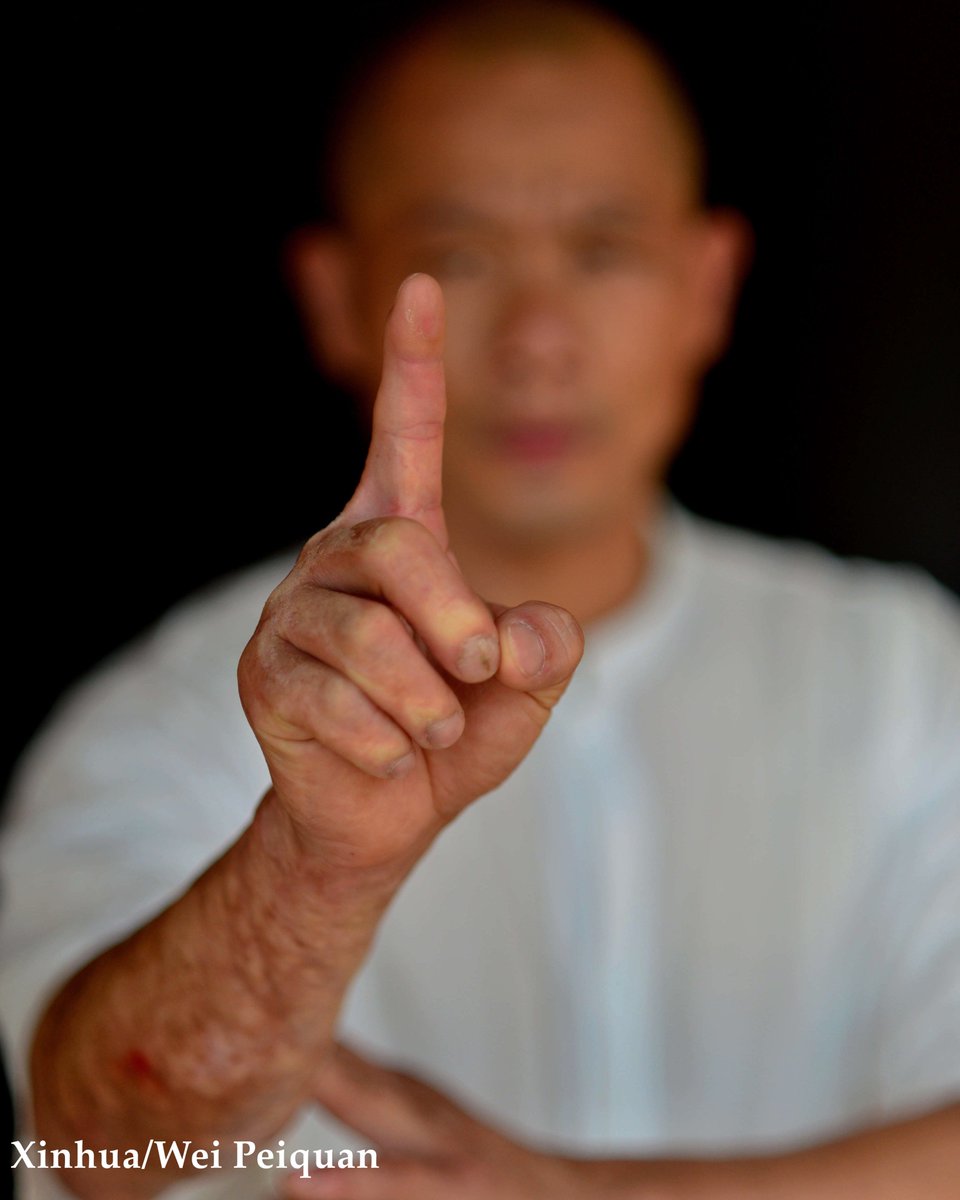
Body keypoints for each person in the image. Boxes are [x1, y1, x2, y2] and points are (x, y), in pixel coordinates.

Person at [2, 2, 958, 1197]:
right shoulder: (175, 717)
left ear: (707, 287)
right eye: (458, 256)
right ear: (334, 299)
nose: (541, 339)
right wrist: (308, 866)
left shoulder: (907, 678)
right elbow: (90, 1144)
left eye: (604, 249)